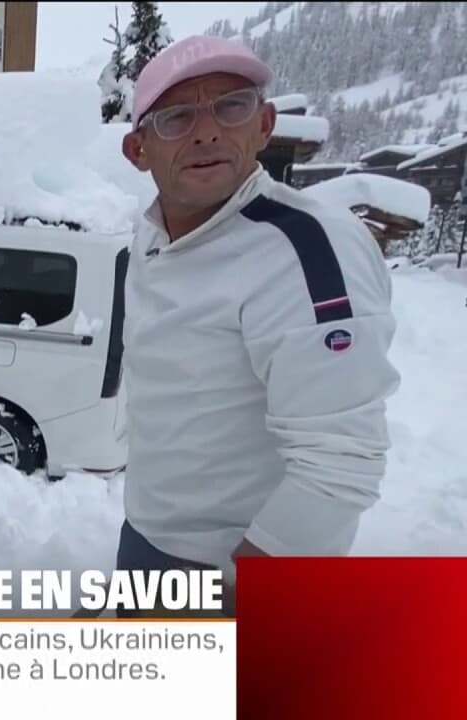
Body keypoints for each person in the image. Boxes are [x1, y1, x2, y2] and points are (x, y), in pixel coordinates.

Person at [115, 35, 401, 617]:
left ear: (264, 125)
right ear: (138, 150)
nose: (207, 131)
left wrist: (231, 604)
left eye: (230, 106)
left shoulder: (305, 252)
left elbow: (339, 466)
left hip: (233, 569)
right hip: (148, 541)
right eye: (175, 118)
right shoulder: (152, 235)